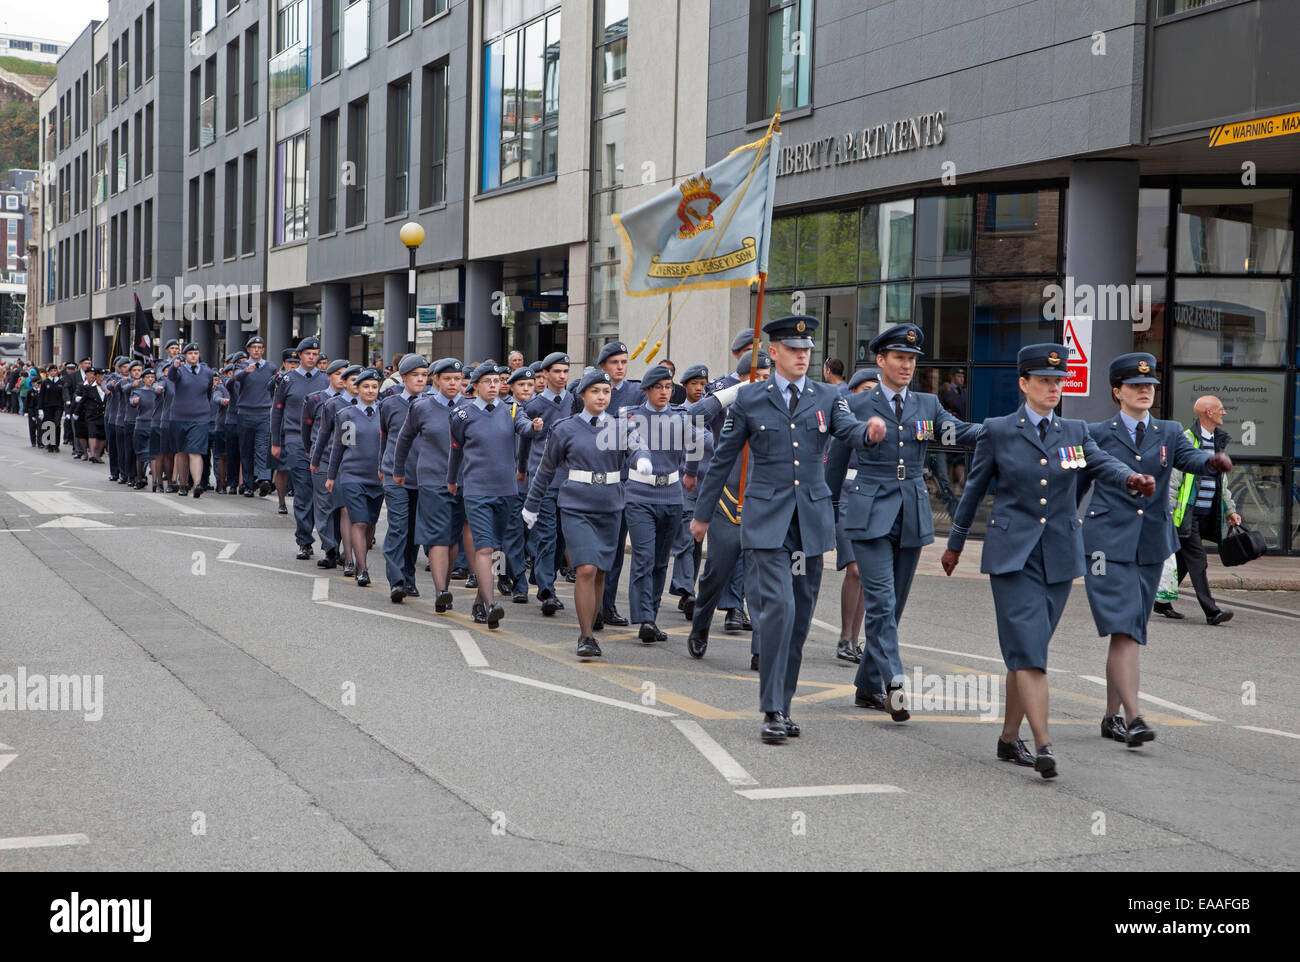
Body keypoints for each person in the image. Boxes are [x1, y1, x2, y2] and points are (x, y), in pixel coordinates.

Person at [941, 343, 1155, 779]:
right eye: (1044, 380)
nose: (1053, 388)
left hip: (1059, 555)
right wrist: (956, 542)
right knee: (1030, 653)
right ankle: (1043, 744)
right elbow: (974, 490)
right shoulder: (998, 430)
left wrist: (1131, 478)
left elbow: (1102, 463)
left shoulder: (1075, 431)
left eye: (1058, 381)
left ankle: (1007, 739)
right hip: (1011, 557)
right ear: (1024, 384)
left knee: (1026, 653)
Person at [691, 316, 883, 744]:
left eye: (807, 349)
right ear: (773, 353)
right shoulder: (749, 399)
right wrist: (703, 514)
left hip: (809, 524)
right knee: (778, 609)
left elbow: (848, 430)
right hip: (765, 522)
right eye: (793, 349)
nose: (802, 356)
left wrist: (868, 434)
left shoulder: (828, 396)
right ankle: (771, 708)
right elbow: (723, 458)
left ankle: (786, 703)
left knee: (799, 616)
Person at [829, 325, 983, 720]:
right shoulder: (857, 405)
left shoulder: (928, 405)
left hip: (911, 513)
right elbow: (835, 460)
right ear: (880, 361)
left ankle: (866, 685)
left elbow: (958, 432)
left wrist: (1004, 430)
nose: (907, 365)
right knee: (880, 602)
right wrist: (828, 514)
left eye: (912, 359)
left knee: (892, 608)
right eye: (899, 358)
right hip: (868, 512)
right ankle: (894, 683)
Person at [1079, 353, 1231, 749]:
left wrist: (1212, 462)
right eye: (1135, 385)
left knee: (1130, 631)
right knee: (1125, 628)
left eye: (1150, 386)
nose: (1145, 391)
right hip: (1106, 544)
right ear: (1117, 391)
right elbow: (1075, 487)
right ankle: (1134, 717)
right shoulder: (1096, 433)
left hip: (1150, 543)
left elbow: (1191, 458)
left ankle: (1112, 716)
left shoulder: (1168, 431)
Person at [523, 369, 645, 658]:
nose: (602, 396)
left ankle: (593, 619)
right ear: (583, 395)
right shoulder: (565, 428)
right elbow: (546, 470)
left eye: (605, 392)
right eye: (595, 392)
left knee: (601, 570)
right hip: (576, 506)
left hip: (610, 506)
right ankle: (586, 636)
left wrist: (642, 461)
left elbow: (638, 449)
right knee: (586, 568)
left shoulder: (621, 427)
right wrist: (532, 504)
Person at [684, 351, 770, 668]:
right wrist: (734, 393)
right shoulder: (727, 400)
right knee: (717, 572)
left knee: (761, 576)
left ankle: (761, 649)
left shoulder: (778, 403)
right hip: (727, 500)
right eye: (758, 377)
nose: (764, 383)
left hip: (762, 500)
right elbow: (693, 417)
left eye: (767, 377)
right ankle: (701, 624)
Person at [447, 363, 529, 628]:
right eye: (488, 381)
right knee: (484, 547)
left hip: (506, 490)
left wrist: (534, 428)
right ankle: (492, 604)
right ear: (476, 386)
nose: (494, 385)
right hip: (477, 490)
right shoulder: (462, 414)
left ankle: (480, 603)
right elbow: (456, 450)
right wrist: (451, 479)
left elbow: (525, 430)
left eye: (497, 381)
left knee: (496, 548)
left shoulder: (513, 410)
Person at [573, 341, 645, 628]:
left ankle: (606, 605)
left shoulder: (637, 391)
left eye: (624, 362)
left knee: (613, 551)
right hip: (591, 481)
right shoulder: (592, 390)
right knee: (591, 553)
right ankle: (591, 604)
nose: (620, 367)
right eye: (614, 362)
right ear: (602, 367)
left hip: (625, 480)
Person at [624, 365, 691, 644]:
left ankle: (651, 613)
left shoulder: (681, 418)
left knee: (662, 560)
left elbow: (694, 449)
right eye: (659, 387)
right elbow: (625, 446)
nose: (665, 392)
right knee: (644, 556)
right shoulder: (630, 416)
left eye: (668, 387)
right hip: (640, 495)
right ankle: (645, 619)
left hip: (672, 496)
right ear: (647, 390)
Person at [394, 358, 464, 612]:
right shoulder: (422, 407)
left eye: (457, 379)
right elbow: (404, 439)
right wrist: (398, 469)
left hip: (465, 480)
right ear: (436, 380)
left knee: (454, 538)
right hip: (432, 480)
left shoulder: (470, 407)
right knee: (438, 537)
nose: (453, 383)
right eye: (447, 379)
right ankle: (440, 591)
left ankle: (445, 587)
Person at [1169, 395, 1242, 625]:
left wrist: (1230, 509)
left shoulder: (1217, 441)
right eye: (1221, 409)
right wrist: (1169, 513)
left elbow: (1222, 482)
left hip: (1206, 512)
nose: (1224, 413)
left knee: (1183, 559)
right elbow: (1174, 480)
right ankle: (1212, 611)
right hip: (1187, 512)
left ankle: (1157, 601)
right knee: (1198, 558)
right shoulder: (1187, 439)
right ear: (1208, 413)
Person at [825, 366, 879, 664]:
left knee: (867, 572)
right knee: (855, 569)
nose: (871, 395)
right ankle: (846, 636)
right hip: (847, 494)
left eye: (876, 389)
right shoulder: (845, 421)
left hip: (874, 496)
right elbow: (832, 464)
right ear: (854, 392)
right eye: (866, 389)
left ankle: (855, 640)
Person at [517, 352, 572, 616]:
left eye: (565, 372)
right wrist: (522, 469)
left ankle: (541, 576)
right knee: (547, 535)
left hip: (571, 481)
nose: (562, 376)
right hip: (544, 479)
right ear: (546, 374)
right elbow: (523, 435)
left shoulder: (575, 401)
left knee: (562, 538)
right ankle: (547, 591)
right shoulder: (534, 404)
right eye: (557, 372)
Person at [326, 368, 385, 586]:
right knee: (358, 522)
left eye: (374, 387)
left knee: (370, 523)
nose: (370, 390)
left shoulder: (384, 413)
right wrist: (332, 475)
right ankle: (362, 568)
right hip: (352, 476)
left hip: (377, 477)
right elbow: (339, 448)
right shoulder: (346, 415)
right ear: (357, 389)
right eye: (366, 386)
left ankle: (362, 557)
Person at [380, 354, 428, 604]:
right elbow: (385, 436)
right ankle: (396, 580)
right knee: (398, 527)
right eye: (415, 376)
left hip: (422, 476)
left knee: (414, 531)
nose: (420, 380)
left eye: (424, 375)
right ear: (404, 377)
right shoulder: (389, 404)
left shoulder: (431, 403)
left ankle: (409, 577)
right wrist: (382, 464)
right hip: (394, 475)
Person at [272, 338, 325, 559]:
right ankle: (304, 540)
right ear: (300, 355)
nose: (312, 357)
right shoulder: (286, 379)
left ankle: (329, 543)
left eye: (315, 354)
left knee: (322, 492)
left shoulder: (326, 379)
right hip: (295, 439)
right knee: (303, 489)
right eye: (308, 354)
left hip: (322, 441)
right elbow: (277, 411)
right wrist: (276, 441)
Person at [669, 363, 711, 615]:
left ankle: (687, 589)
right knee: (685, 538)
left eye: (703, 385)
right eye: (695, 384)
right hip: (684, 483)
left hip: (708, 485)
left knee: (696, 540)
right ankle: (687, 589)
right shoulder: (677, 414)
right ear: (684, 386)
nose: (699, 389)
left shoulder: (713, 414)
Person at [302, 360, 351, 568]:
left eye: (345, 375)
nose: (342, 378)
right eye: (338, 374)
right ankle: (330, 548)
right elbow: (307, 429)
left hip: (346, 462)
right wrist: (311, 452)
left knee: (343, 507)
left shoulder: (355, 403)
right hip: (323, 458)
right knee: (324, 505)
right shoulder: (316, 399)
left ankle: (344, 548)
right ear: (329, 376)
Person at [165, 343, 216, 497]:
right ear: (185, 355)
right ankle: (182, 483)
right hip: (179, 416)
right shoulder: (179, 370)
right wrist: (174, 366)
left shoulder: (207, 372)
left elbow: (208, 392)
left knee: (196, 451)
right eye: (190, 353)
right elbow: (171, 376)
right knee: (181, 451)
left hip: (200, 417)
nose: (193, 356)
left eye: (196, 353)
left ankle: (197, 484)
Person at [231, 336, 276, 498]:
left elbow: (274, 386)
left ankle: (264, 479)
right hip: (245, 413)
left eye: (259, 347)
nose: (257, 350)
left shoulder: (271, 367)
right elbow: (235, 377)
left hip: (264, 412)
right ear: (248, 350)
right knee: (246, 449)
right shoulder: (241, 365)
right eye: (253, 347)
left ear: (263, 350)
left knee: (263, 447)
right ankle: (249, 483)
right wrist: (246, 371)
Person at [129, 367, 160, 488]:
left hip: (154, 425)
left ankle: (156, 481)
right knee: (140, 454)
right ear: (143, 379)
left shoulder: (158, 391)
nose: (150, 379)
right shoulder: (139, 391)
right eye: (148, 377)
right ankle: (140, 478)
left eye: (152, 377)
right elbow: (131, 401)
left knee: (153, 454)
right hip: (141, 424)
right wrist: (135, 401)